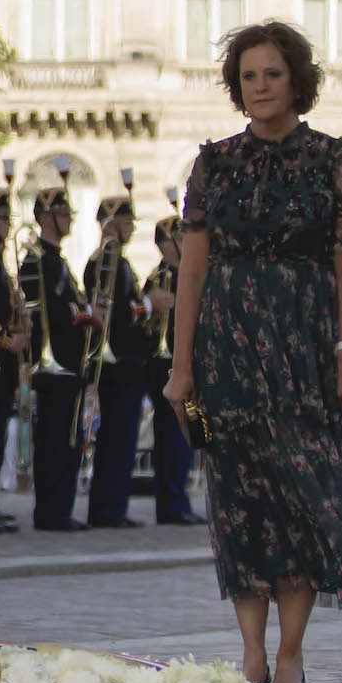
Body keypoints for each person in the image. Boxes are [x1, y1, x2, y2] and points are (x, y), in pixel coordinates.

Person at [163, 20, 342, 683]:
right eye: (248, 76)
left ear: (296, 80)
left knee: (306, 501)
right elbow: (190, 275)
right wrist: (180, 365)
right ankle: (251, 653)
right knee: (240, 502)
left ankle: (290, 651)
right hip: (225, 349)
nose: (259, 87)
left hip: (304, 345)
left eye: (271, 74)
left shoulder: (332, 160)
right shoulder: (212, 165)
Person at [20, 184, 90, 530]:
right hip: (52, 366)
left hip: (68, 364)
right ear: (46, 216)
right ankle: (50, 511)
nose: (69, 221)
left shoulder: (57, 260)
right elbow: (45, 309)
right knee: (54, 443)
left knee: (68, 441)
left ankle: (61, 508)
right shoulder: (35, 259)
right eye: (63, 214)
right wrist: (84, 314)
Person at [86, 186, 152, 527]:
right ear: (111, 224)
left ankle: (114, 505)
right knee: (116, 440)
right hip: (117, 363)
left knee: (122, 440)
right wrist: (150, 307)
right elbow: (116, 309)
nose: (132, 229)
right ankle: (108, 507)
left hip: (126, 362)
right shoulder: (106, 259)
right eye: (127, 222)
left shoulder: (117, 260)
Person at [148, 215, 204, 526]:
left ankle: (181, 498)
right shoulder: (160, 278)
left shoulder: (191, 275)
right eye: (177, 240)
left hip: (192, 366)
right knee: (171, 438)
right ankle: (171, 503)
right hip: (166, 368)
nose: (184, 245)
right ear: (165, 244)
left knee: (194, 435)